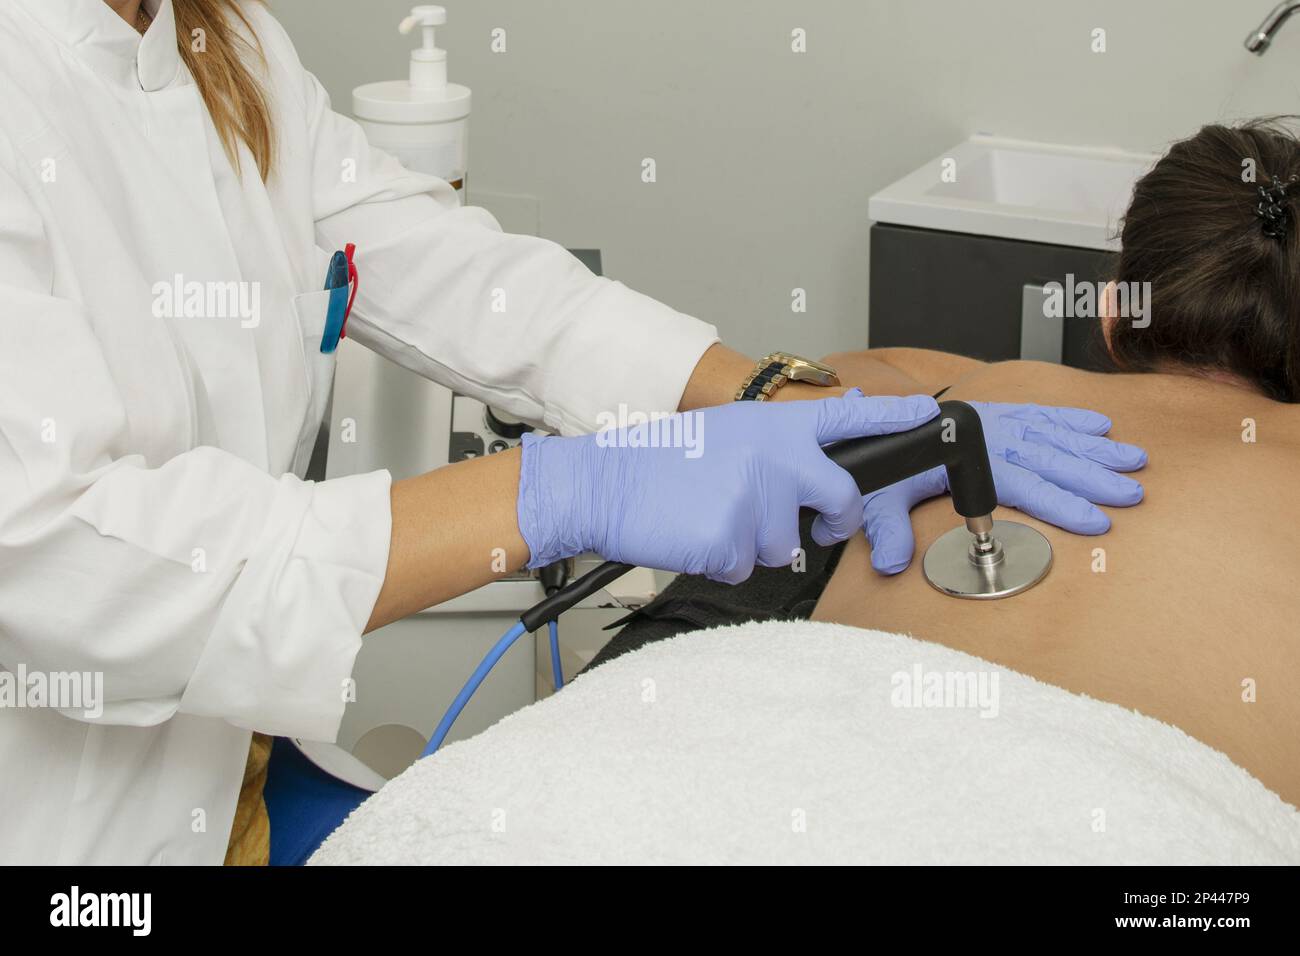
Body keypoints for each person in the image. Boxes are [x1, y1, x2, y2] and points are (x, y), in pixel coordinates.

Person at [0, 0, 1141, 864]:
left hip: (224, 779)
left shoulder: (216, 37)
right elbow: (65, 553)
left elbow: (455, 272)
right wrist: (565, 490)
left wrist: (784, 403)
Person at [814, 119, 1300, 807]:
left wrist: (981, 385)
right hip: (1155, 819)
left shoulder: (991, 395)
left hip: (826, 767)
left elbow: (836, 371)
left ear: (1110, 313)